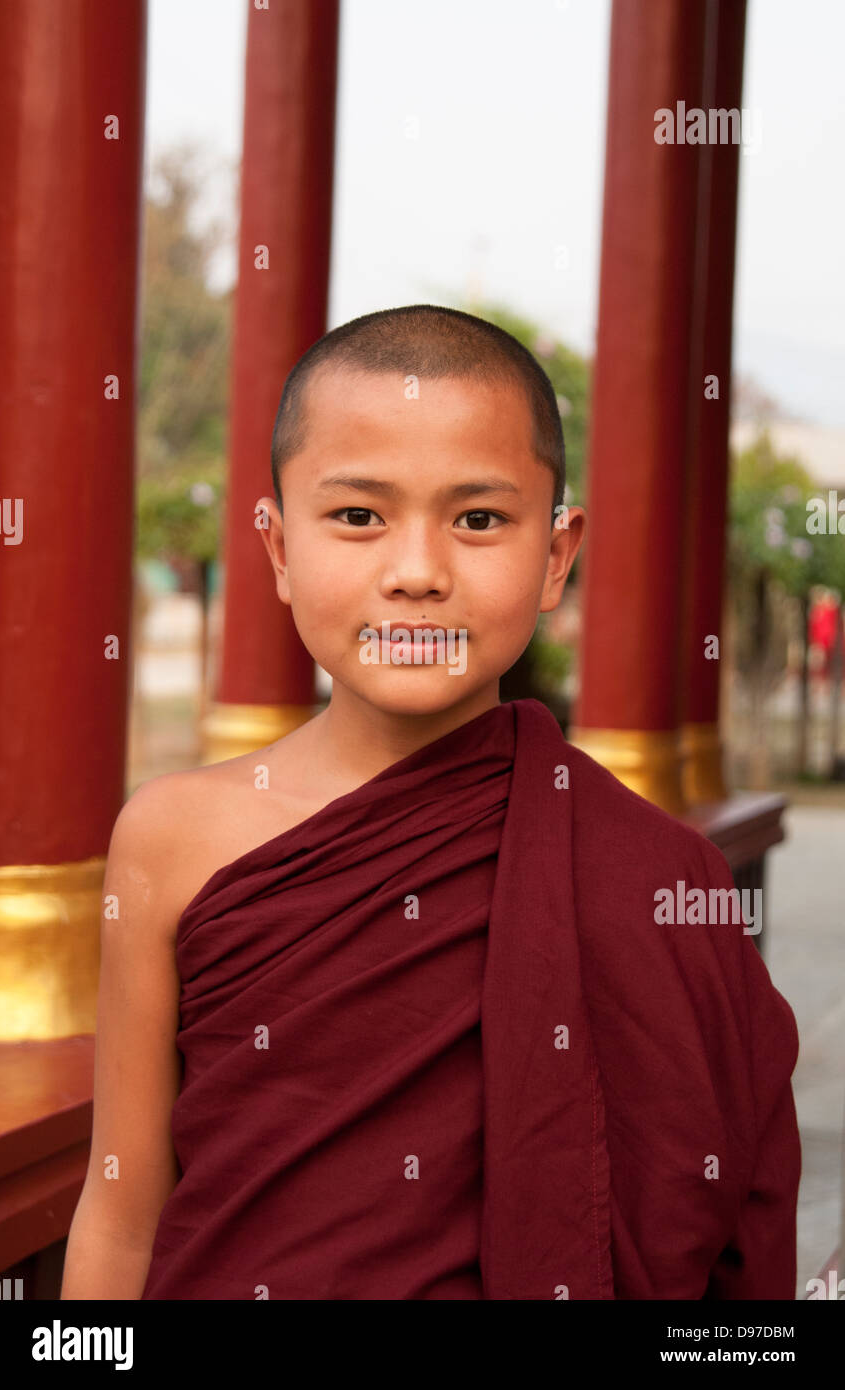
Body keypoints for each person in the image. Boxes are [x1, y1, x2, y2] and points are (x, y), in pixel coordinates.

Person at [61, 304, 800, 1301]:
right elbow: (119, 1210)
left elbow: (709, 1218)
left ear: (554, 553)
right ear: (276, 549)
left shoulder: (650, 871)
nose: (415, 573)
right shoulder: (172, 835)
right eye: (358, 516)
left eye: (479, 520)